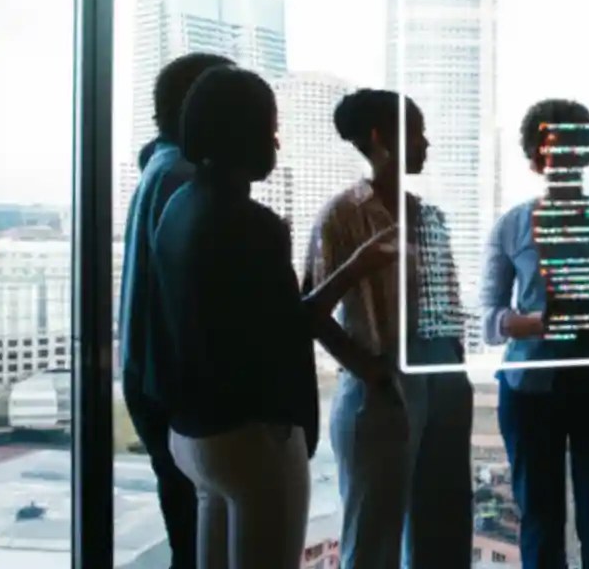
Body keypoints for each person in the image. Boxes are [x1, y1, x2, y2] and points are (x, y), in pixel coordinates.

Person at [154, 66, 401, 569]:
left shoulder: (177, 207)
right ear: (242, 133)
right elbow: (294, 324)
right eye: (270, 129)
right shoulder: (253, 224)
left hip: (193, 434)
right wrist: (357, 267)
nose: (277, 143)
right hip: (254, 437)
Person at [306, 90, 473, 569]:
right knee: (373, 542)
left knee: (444, 535)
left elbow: (447, 302)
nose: (426, 144)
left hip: (442, 380)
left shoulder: (431, 217)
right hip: (380, 388)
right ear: (382, 137)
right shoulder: (343, 214)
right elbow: (309, 310)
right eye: (417, 132)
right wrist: (370, 372)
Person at [481, 98, 589, 569]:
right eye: (555, 145)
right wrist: (540, 323)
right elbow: (489, 319)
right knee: (540, 521)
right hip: (531, 392)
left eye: (576, 143)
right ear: (537, 157)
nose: (566, 155)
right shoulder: (511, 226)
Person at [118, 51, 233, 569]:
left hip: (153, 382)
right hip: (178, 391)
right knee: (201, 544)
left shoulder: (160, 167)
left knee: (190, 540)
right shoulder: (185, 180)